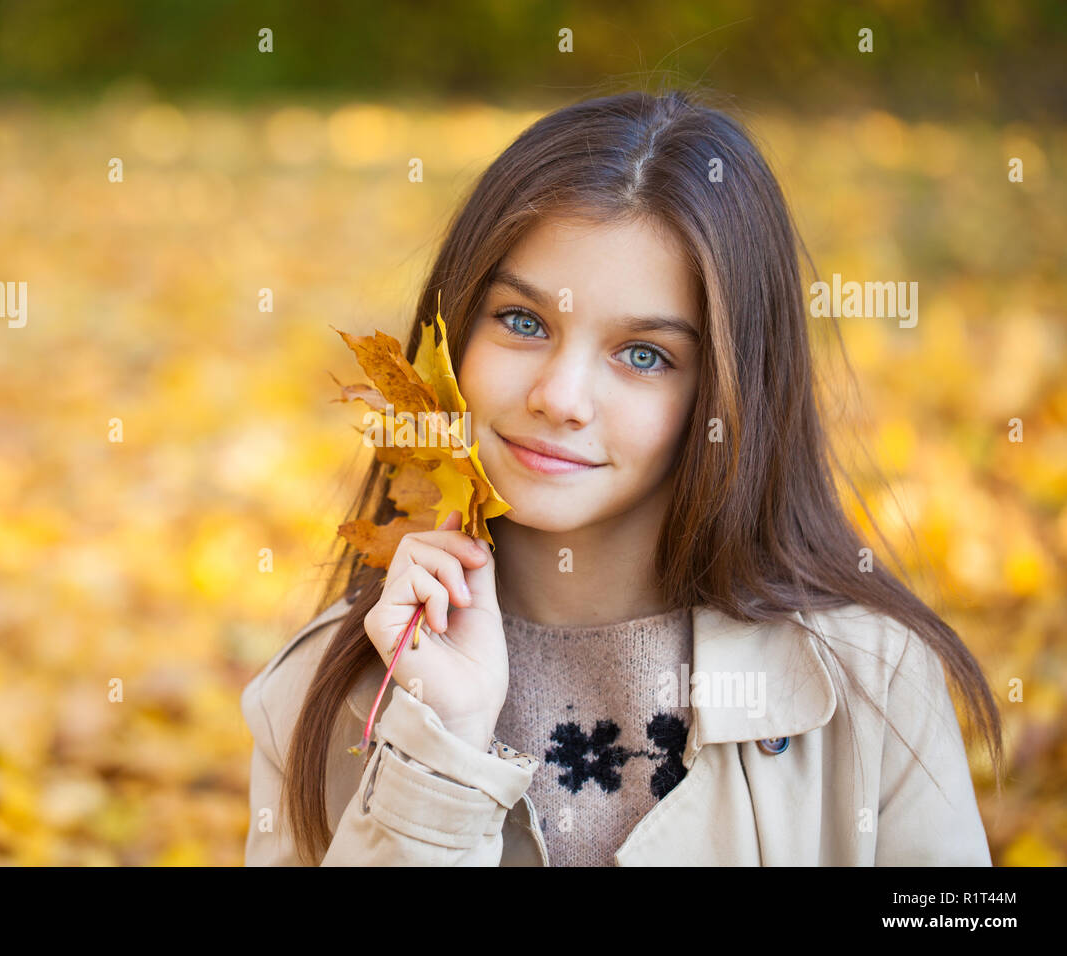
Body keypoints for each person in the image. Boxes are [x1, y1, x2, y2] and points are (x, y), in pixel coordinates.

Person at [241, 88, 1003, 866]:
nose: (560, 398)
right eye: (523, 321)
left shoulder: (869, 686)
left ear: (727, 393)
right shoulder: (319, 697)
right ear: (455, 325)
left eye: (644, 355)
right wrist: (436, 757)